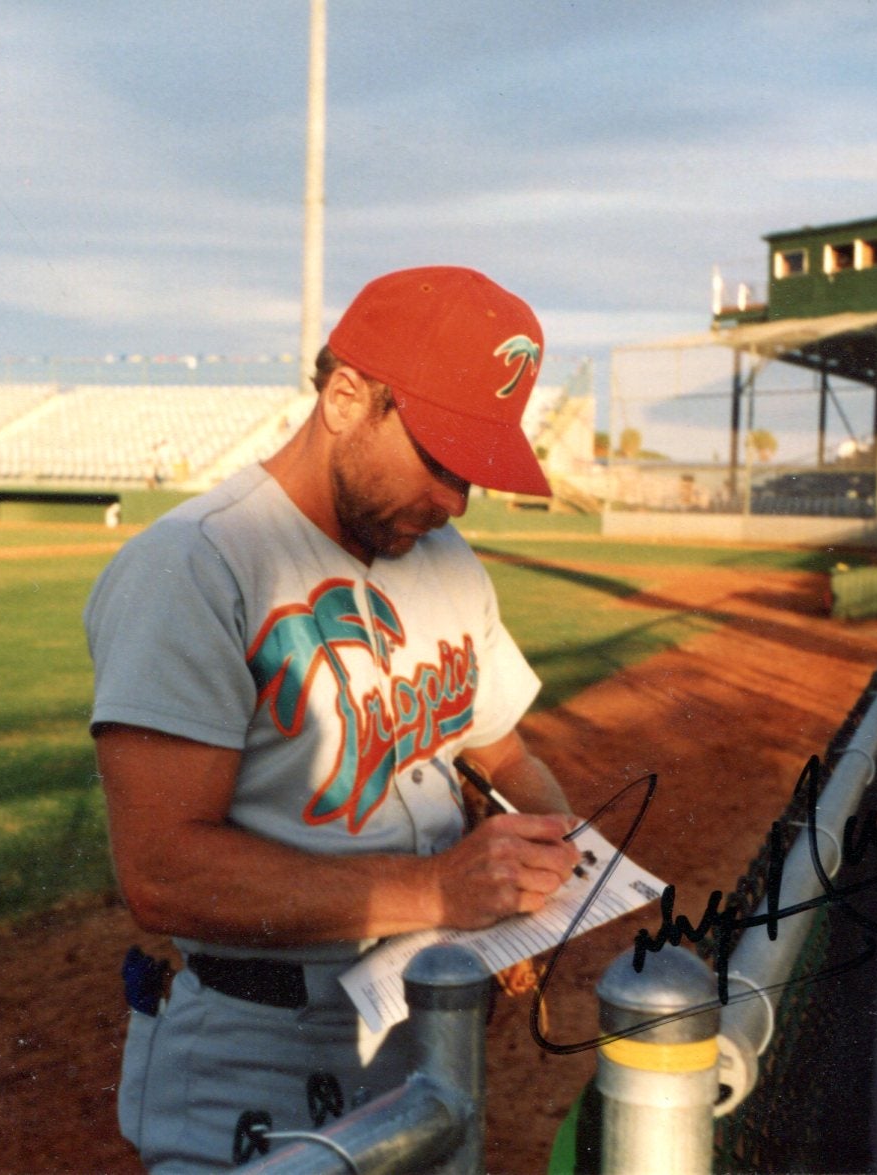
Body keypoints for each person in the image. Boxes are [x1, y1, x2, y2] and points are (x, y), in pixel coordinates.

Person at [83, 266, 580, 1172]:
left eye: (473, 472)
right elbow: (161, 872)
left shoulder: (446, 558)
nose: (456, 500)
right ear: (346, 397)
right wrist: (441, 891)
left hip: (423, 1025)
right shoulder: (198, 566)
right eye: (440, 460)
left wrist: (560, 866)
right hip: (255, 1043)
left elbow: (496, 744)